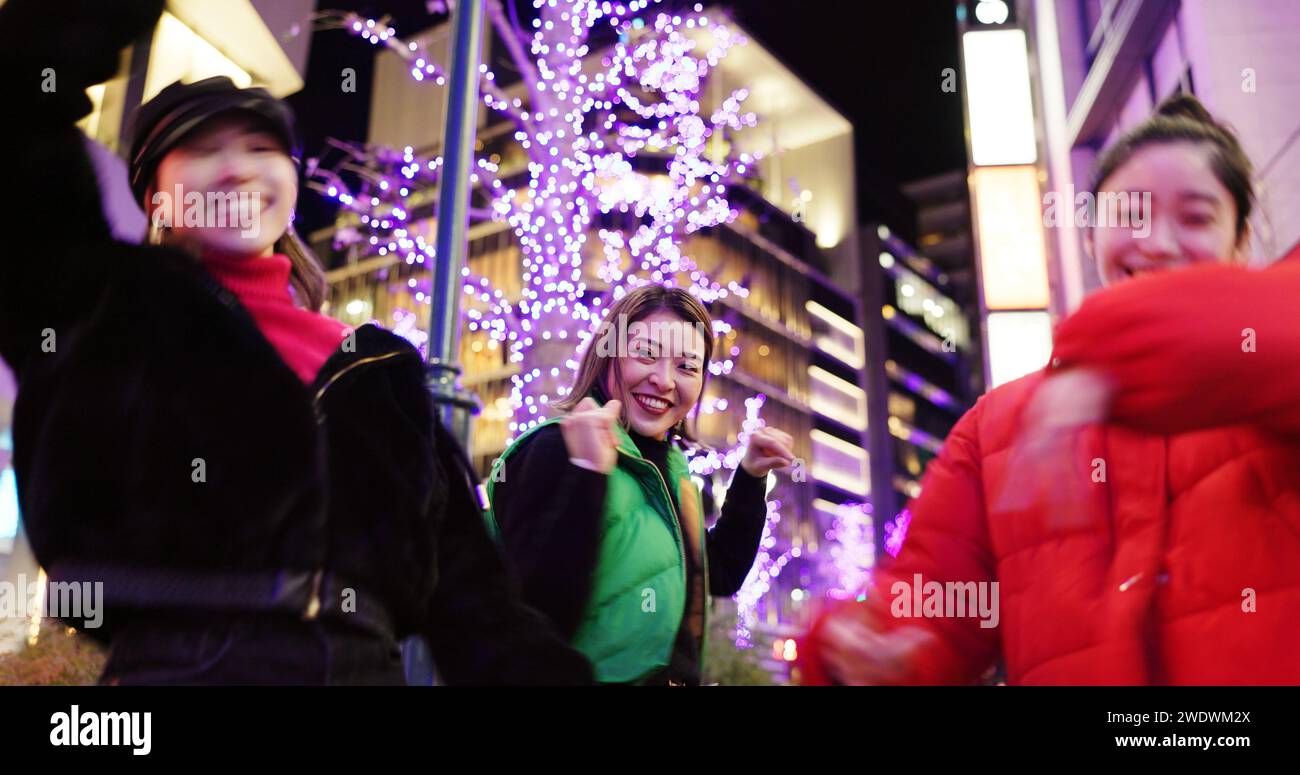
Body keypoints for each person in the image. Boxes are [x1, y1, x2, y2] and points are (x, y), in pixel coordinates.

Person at [0, 0, 590, 685]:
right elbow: (16, 106)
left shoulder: (382, 370)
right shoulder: (105, 310)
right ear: (154, 195)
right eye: (199, 150)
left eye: (260, 148)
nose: (236, 169)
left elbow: (476, 602)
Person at [800, 94, 1300, 685]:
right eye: (1130, 216)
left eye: (1196, 218)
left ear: (1242, 241)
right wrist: (858, 652)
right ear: (1089, 239)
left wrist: (1102, 355)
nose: (1160, 242)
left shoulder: (1273, 363)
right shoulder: (995, 431)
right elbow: (931, 604)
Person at [485, 285, 796, 685]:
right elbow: (530, 612)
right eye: (646, 354)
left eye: (687, 366)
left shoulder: (671, 466)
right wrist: (585, 473)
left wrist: (751, 479)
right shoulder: (553, 447)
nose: (664, 380)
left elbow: (716, 575)